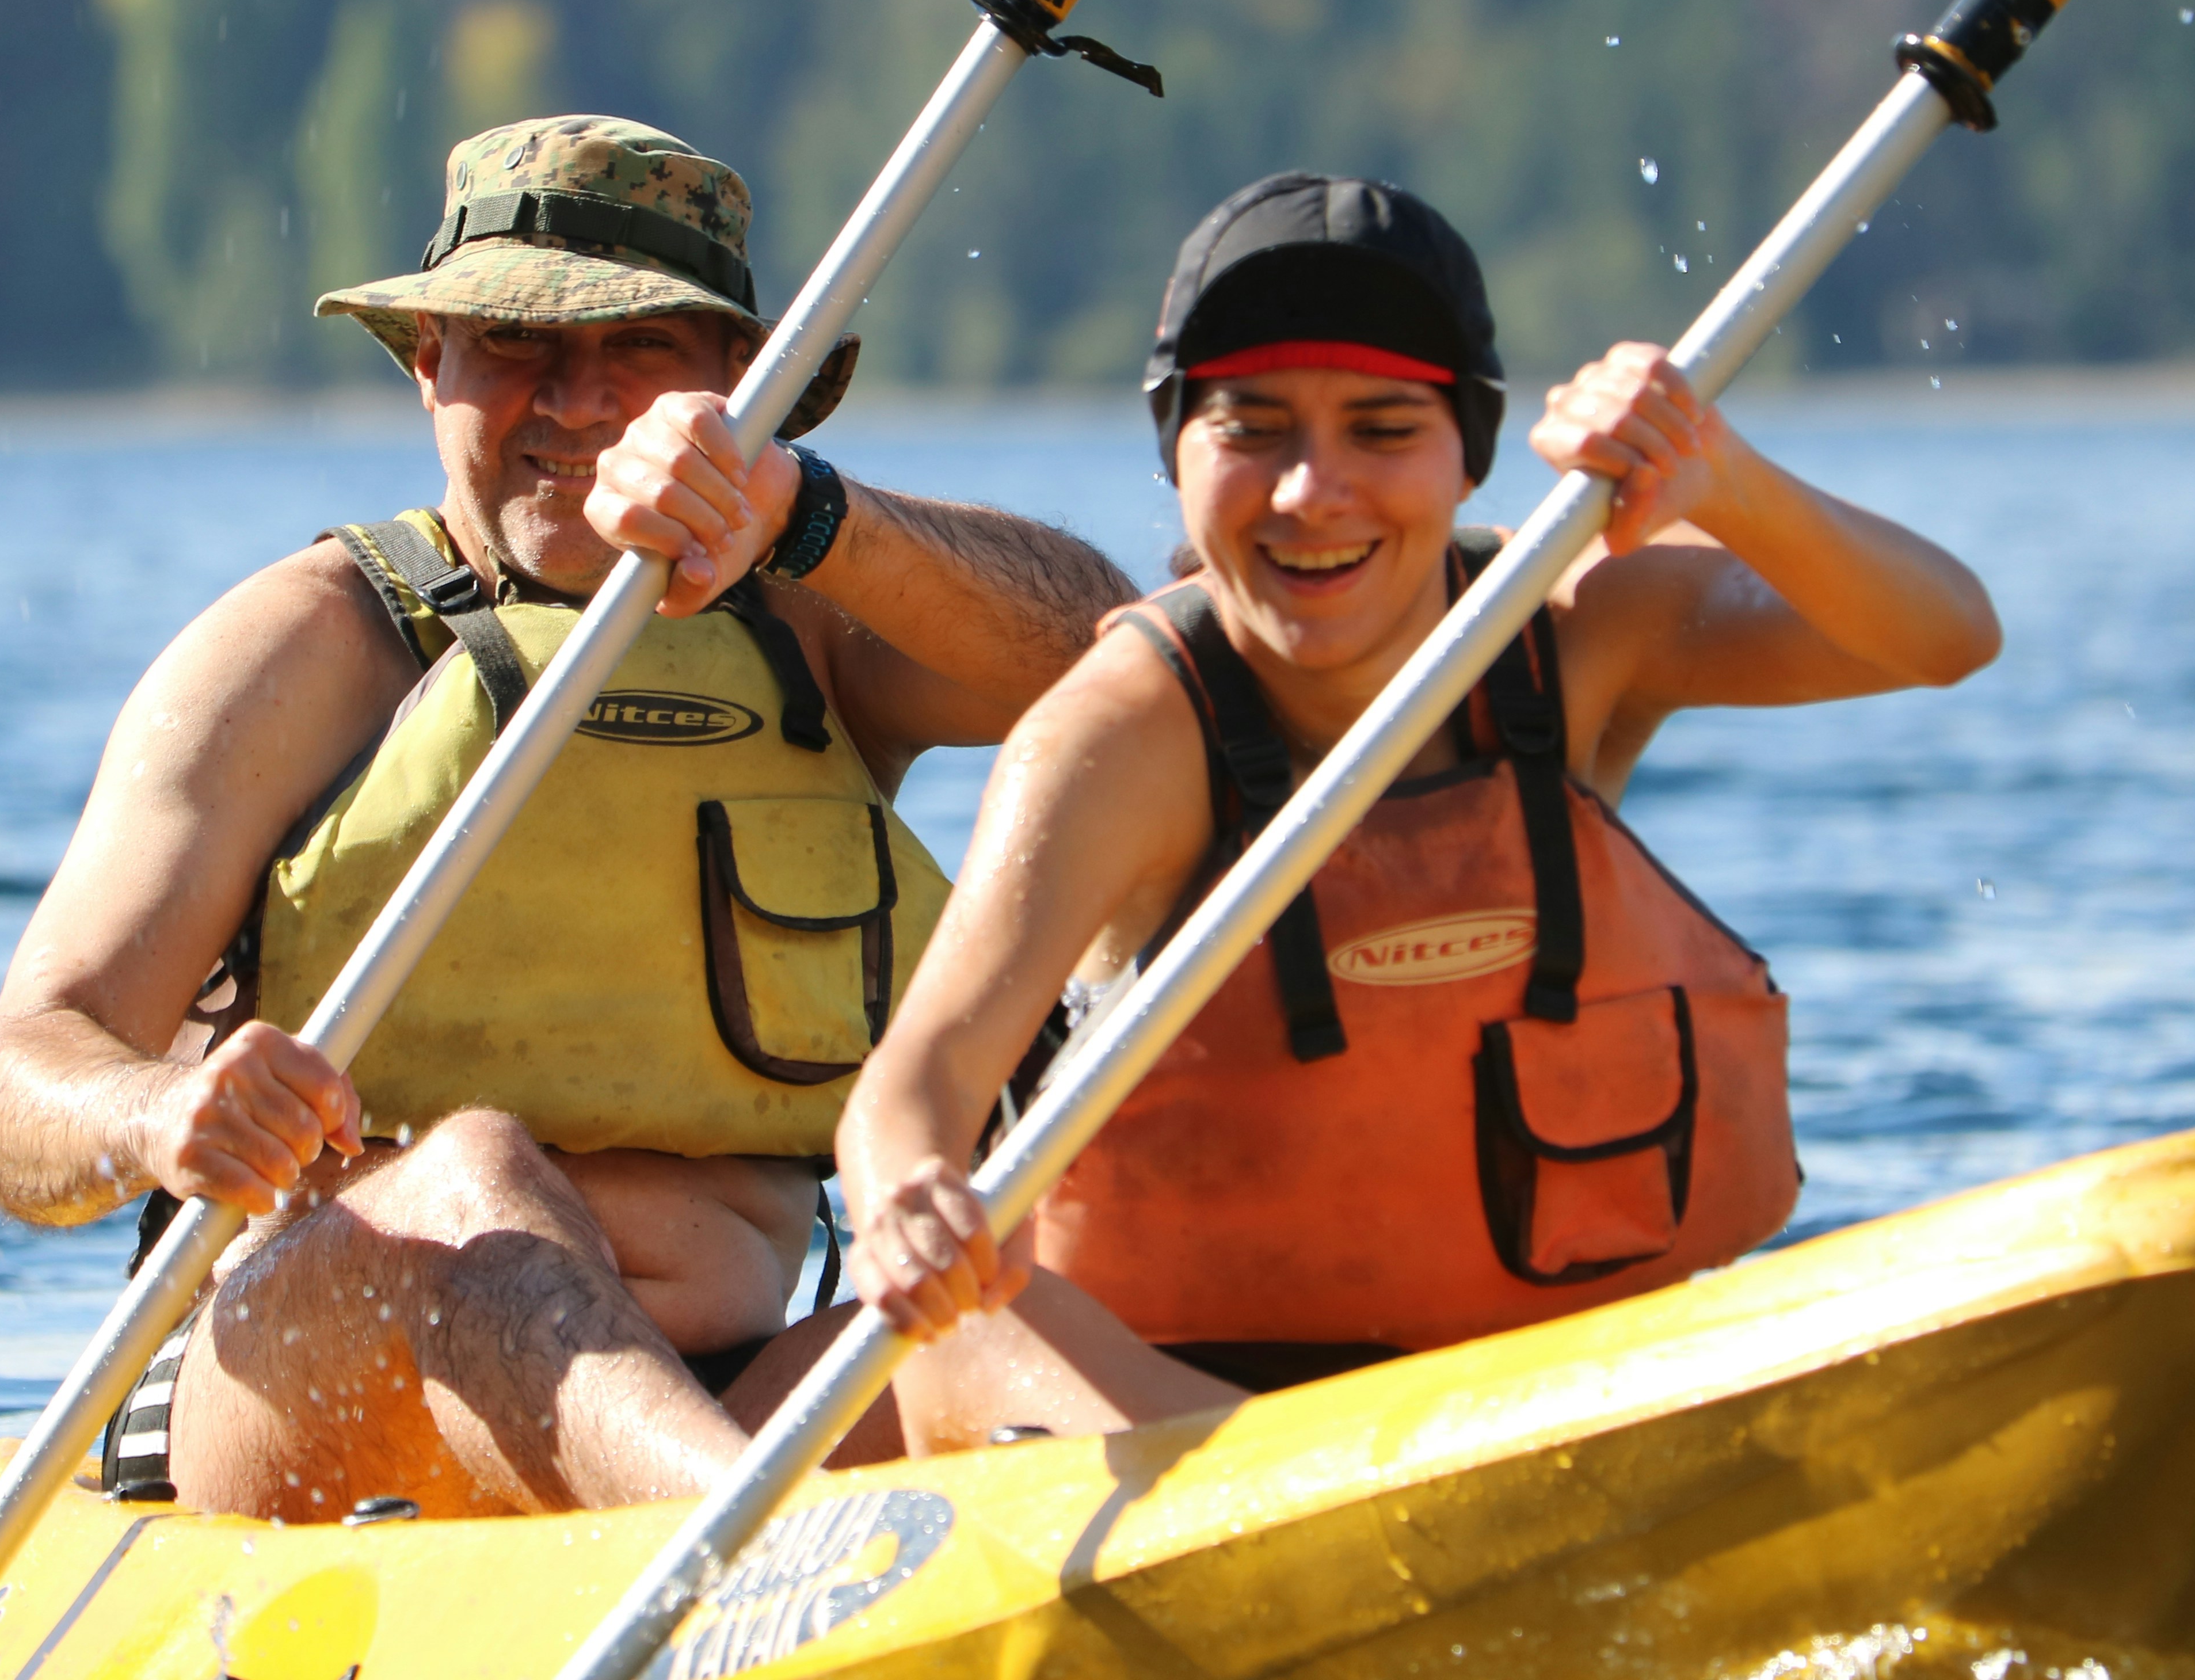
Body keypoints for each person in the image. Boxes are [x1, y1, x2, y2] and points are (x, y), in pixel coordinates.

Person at [0, 115, 1143, 1520]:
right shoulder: (300, 648)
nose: (575, 402)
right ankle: (761, 1549)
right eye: (513, 343)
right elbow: (9, 1089)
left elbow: (1116, 659)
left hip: (731, 1381)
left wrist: (811, 514)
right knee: (472, 1176)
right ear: (427, 367)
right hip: (307, 1400)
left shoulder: (819, 632)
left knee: (1015, 1305)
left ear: (741, 385)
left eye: (637, 346)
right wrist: (158, 1109)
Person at [833, 172, 2003, 1447]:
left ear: (1468, 459)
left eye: (1384, 429)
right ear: (1177, 448)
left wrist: (1719, 474)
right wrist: (905, 1199)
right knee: (973, 1327)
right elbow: (915, 1085)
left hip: (1517, 1399)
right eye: (1253, 427)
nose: (1311, 490)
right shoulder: (1115, 737)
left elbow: (1945, 634)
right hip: (1176, 1424)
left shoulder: (1575, 637)